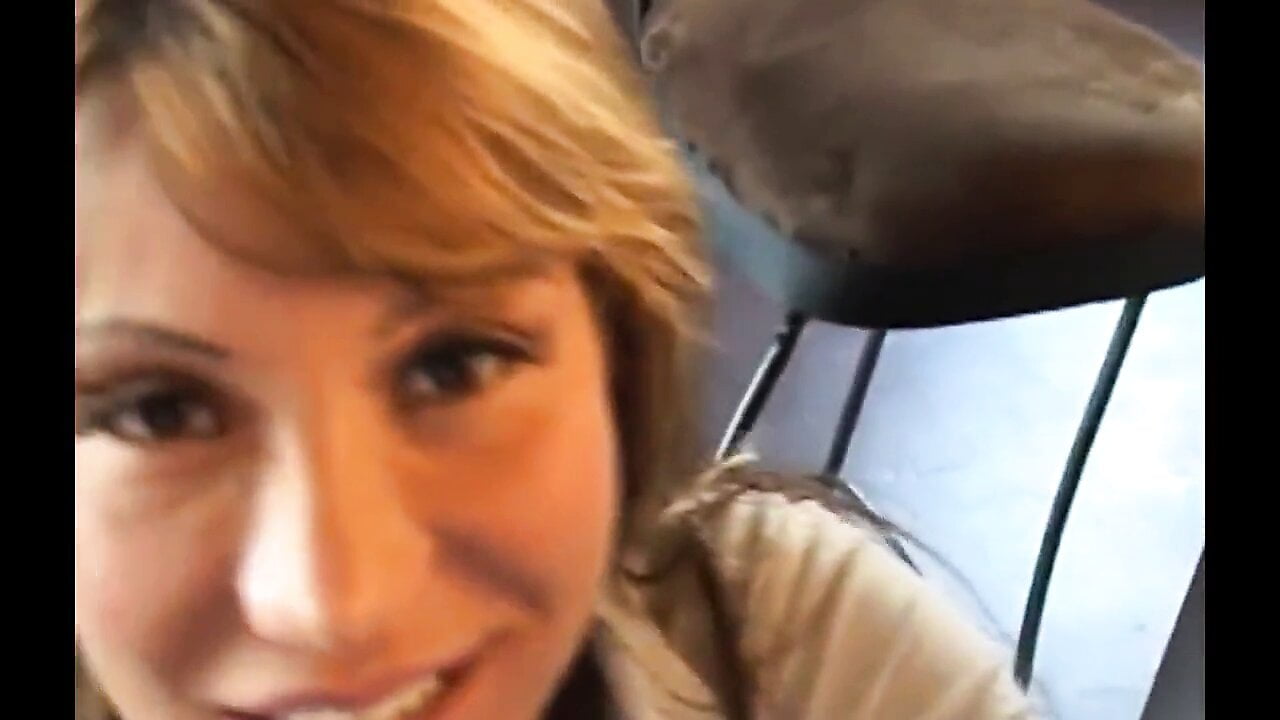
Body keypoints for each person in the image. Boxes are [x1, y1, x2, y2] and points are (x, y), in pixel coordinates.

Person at [74, 1, 1037, 718]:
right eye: (160, 411)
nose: (337, 603)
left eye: (453, 366)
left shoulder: (795, 652)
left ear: (618, 357)